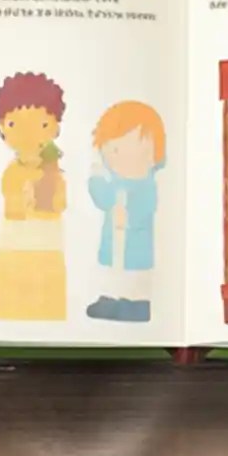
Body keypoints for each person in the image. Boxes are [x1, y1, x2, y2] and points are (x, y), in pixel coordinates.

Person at [0, 72, 68, 321]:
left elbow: (58, 204)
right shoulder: (11, 174)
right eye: (15, 125)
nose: (28, 134)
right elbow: (14, 210)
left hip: (48, 256)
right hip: (14, 256)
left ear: (55, 126)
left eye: (42, 124)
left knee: (49, 313)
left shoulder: (54, 171)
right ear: (2, 127)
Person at [86, 101, 166, 323]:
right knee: (113, 274)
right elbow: (102, 196)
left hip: (136, 252)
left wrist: (128, 216)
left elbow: (144, 208)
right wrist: (95, 174)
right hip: (113, 247)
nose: (120, 156)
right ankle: (111, 300)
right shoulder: (116, 185)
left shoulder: (147, 187)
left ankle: (136, 304)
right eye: (114, 149)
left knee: (135, 280)